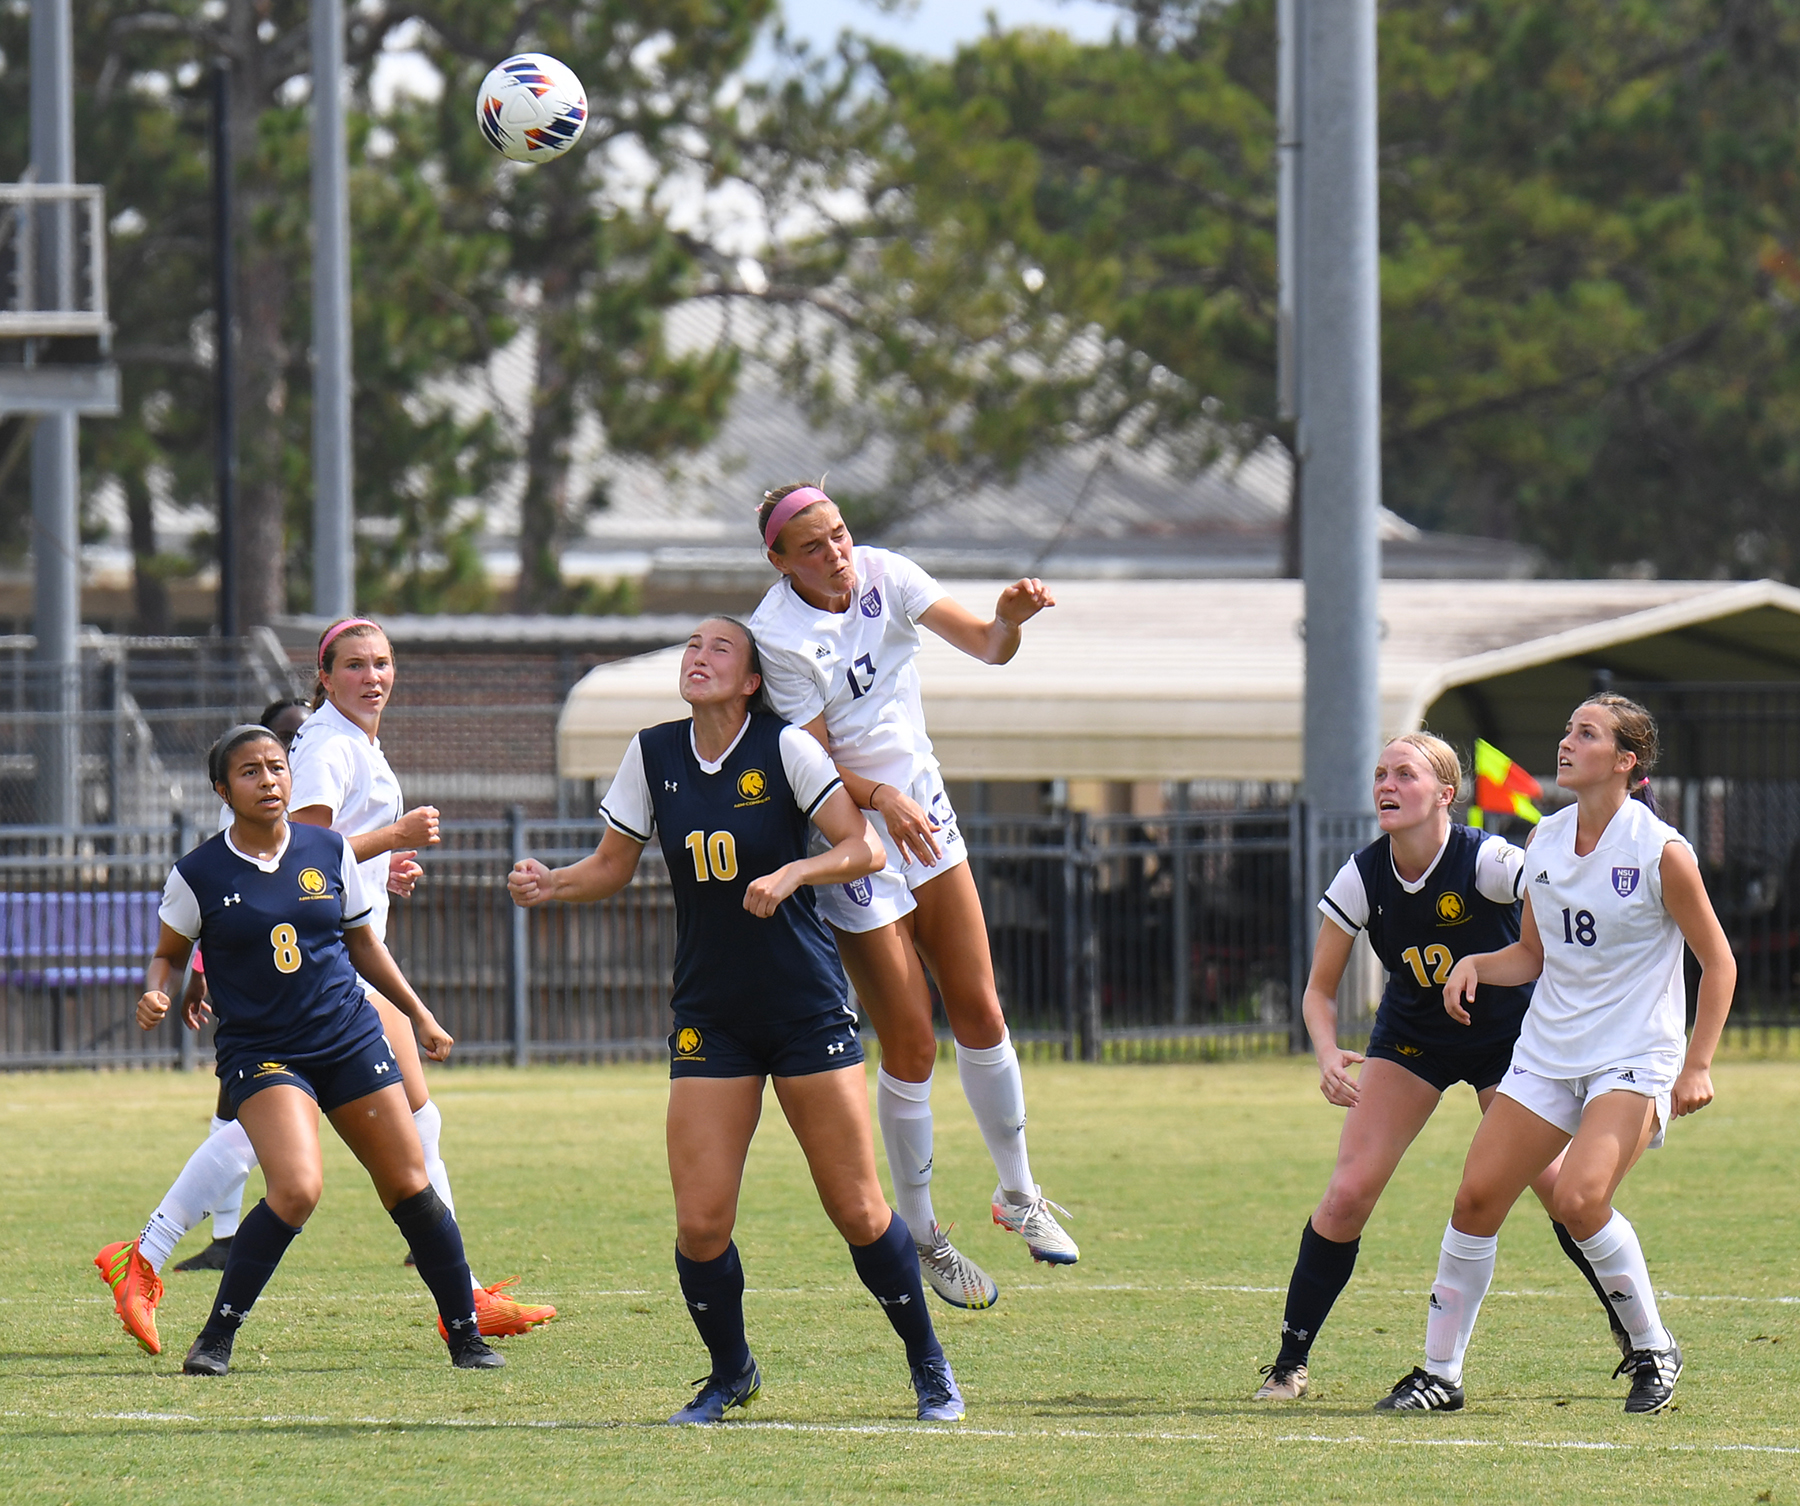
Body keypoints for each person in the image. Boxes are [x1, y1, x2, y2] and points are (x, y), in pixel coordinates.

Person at [507, 617, 965, 1423]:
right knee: (701, 1221)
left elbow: (862, 850)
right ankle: (731, 1373)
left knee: (857, 1209)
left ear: (752, 679)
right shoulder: (653, 753)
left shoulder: (785, 747)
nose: (698, 657)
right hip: (710, 1013)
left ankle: (931, 1367)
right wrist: (553, 882)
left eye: (719, 649)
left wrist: (794, 871)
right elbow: (612, 866)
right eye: (691, 647)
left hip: (803, 1005)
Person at [746, 483, 1075, 1313]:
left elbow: (989, 648)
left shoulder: (888, 575)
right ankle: (926, 1233)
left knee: (983, 1011)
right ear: (780, 561)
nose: (836, 555)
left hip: (924, 812)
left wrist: (1008, 619)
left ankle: (1019, 1194)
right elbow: (810, 764)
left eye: (841, 535)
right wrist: (878, 801)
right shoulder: (777, 635)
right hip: (854, 835)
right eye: (813, 547)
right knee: (912, 1044)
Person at [1376, 694, 1735, 1415]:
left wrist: (1697, 1067)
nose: (1566, 742)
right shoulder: (1546, 837)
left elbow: (1719, 963)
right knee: (1475, 1200)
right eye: (1568, 728)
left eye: (1587, 733)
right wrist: (1478, 964)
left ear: (1626, 761)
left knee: (1579, 1200)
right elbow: (1533, 955)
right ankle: (1440, 1375)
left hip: (1633, 1056)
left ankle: (1653, 1347)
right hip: (1549, 1050)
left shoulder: (1659, 851)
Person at [1251, 734, 1627, 1402]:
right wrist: (1326, 1052)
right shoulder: (1363, 875)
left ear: (1445, 794)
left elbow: (1555, 889)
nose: (1386, 786)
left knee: (1561, 1191)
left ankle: (1634, 1333)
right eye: (1379, 775)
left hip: (1507, 1039)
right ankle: (1289, 1363)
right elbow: (1317, 992)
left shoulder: (1486, 861)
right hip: (1414, 1038)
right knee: (1347, 1195)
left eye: (1404, 774)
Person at [123, 724, 505, 1375]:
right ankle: (215, 1338)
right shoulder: (199, 873)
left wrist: (417, 1013)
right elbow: (168, 953)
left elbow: (363, 945)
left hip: (347, 1036)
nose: (268, 780)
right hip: (264, 1052)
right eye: (250, 771)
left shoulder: (327, 850)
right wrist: (158, 992)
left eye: (276, 767)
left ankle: (466, 1336)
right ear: (223, 789)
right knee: (297, 1188)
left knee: (411, 1185)